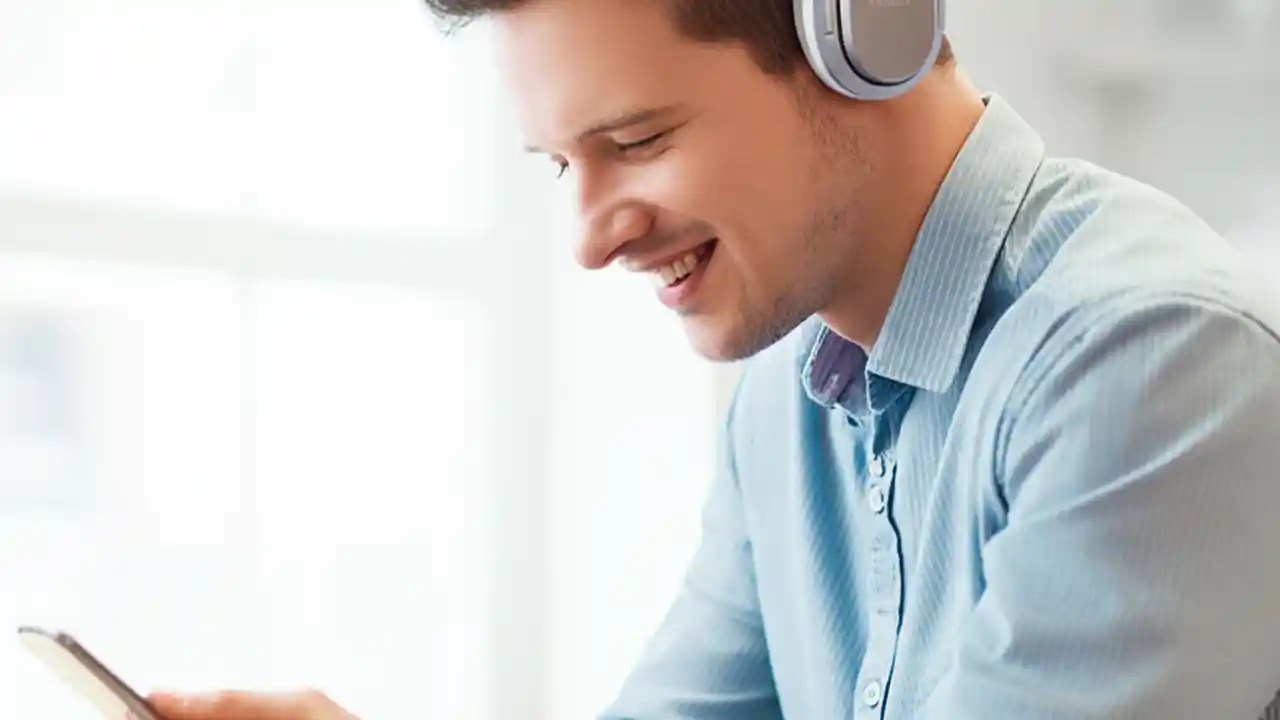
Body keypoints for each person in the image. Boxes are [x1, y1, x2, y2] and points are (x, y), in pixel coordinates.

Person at [146, 0, 1280, 718]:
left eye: (635, 142)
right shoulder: (782, 411)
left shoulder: (1154, 364)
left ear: (861, 35)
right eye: (558, 167)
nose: (590, 238)